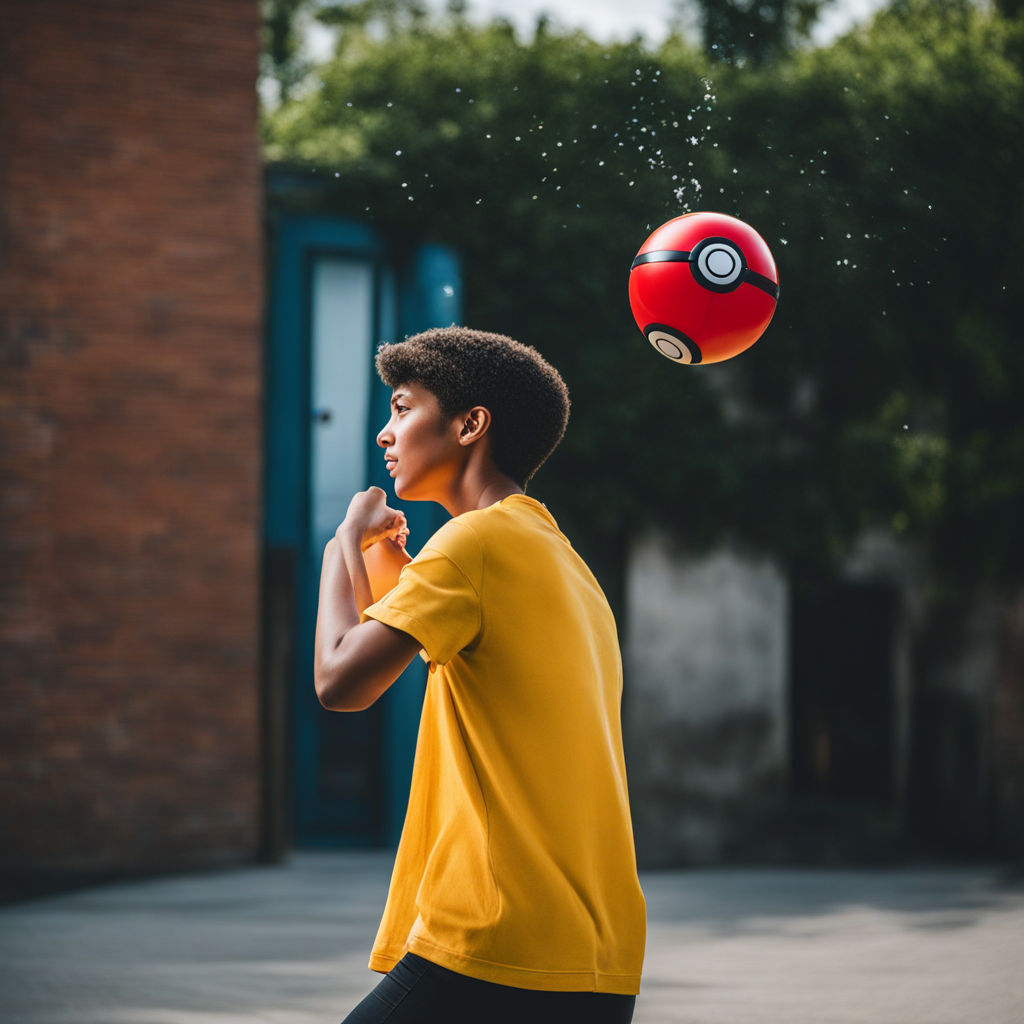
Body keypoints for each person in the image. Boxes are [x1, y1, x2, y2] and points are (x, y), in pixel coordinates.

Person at [314, 326, 646, 1024]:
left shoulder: (473, 544)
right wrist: (376, 553)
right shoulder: (559, 561)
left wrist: (340, 543)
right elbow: (414, 639)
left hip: (498, 940)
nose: (385, 433)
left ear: (471, 424)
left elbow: (341, 682)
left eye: (402, 408)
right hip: (596, 959)